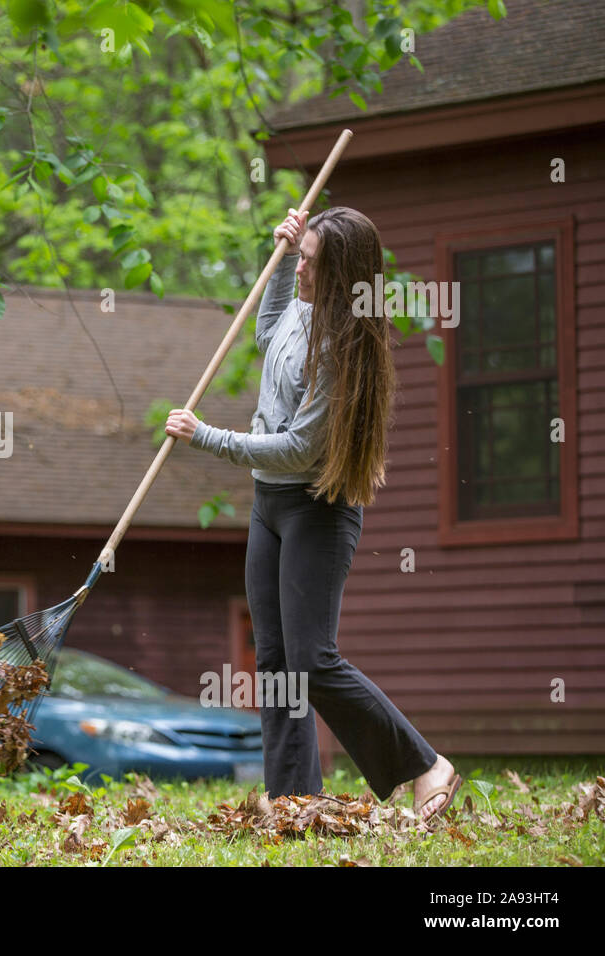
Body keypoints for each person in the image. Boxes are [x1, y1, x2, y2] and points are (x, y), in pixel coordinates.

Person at [165, 206, 462, 822]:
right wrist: (280, 257)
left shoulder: (345, 348)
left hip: (316, 509)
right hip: (269, 505)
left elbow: (300, 447)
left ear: (343, 275)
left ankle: (426, 765)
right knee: (274, 665)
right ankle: (294, 802)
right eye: (300, 258)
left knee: (312, 661)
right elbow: (266, 330)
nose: (300, 268)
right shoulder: (300, 309)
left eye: (309, 262)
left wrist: (206, 436)